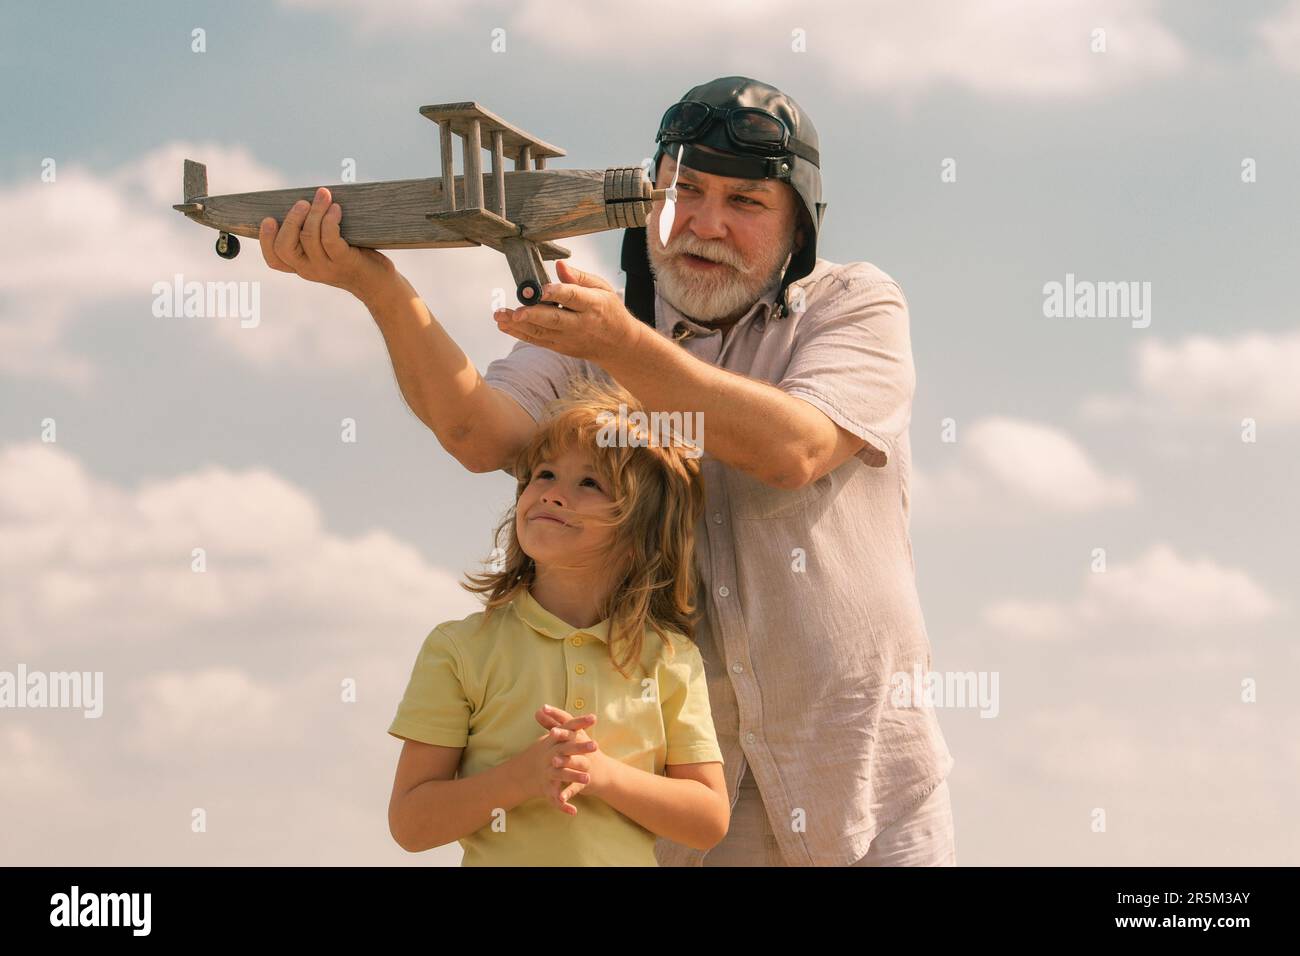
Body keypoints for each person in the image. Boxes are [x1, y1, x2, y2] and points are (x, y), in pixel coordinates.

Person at [259, 75, 955, 866]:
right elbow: (478, 435)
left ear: (800, 225)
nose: (706, 223)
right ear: (649, 200)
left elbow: (789, 451)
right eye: (685, 190)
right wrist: (375, 285)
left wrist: (622, 347)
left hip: (864, 786)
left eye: (747, 203)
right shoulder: (596, 327)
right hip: (684, 805)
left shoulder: (853, 303)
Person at [386, 377, 728, 865]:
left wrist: (601, 773)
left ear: (639, 535)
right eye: (543, 475)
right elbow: (412, 824)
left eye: (589, 483)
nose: (551, 494)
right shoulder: (459, 648)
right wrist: (522, 777)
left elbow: (708, 820)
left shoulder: (672, 660)